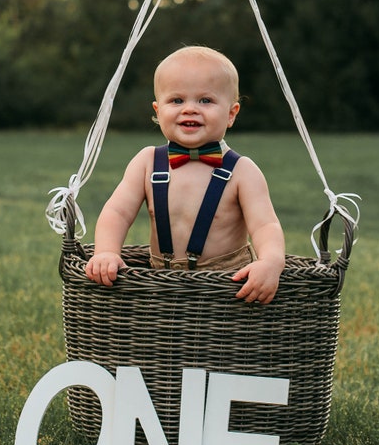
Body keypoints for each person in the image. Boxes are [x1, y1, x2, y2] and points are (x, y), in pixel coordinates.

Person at [85, 45, 285, 303]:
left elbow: (265, 225)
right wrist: (106, 252)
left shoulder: (242, 171)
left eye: (206, 100)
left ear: (231, 114)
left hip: (228, 285)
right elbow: (117, 212)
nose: (190, 109)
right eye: (177, 100)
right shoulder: (147, 162)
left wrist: (270, 261)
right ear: (158, 112)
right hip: (162, 282)